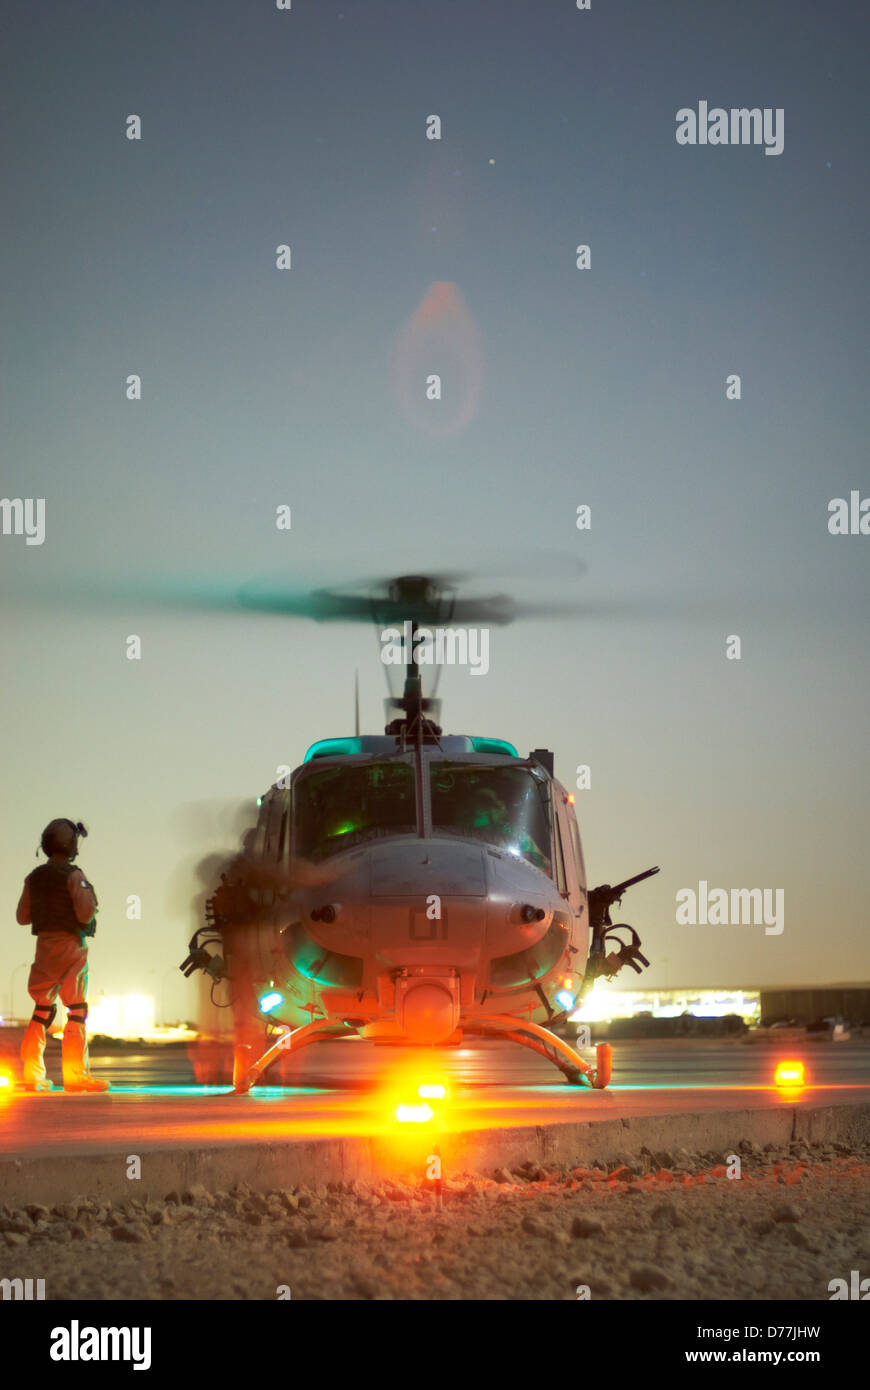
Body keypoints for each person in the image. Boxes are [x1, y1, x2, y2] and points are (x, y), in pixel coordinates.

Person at [16, 818, 109, 1093]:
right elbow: (85, 913)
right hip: (71, 947)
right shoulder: (75, 875)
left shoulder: (33, 877)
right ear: (71, 845)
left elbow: (22, 917)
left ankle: (33, 1076)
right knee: (77, 1010)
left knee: (42, 1011)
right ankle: (76, 1076)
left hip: (44, 948)